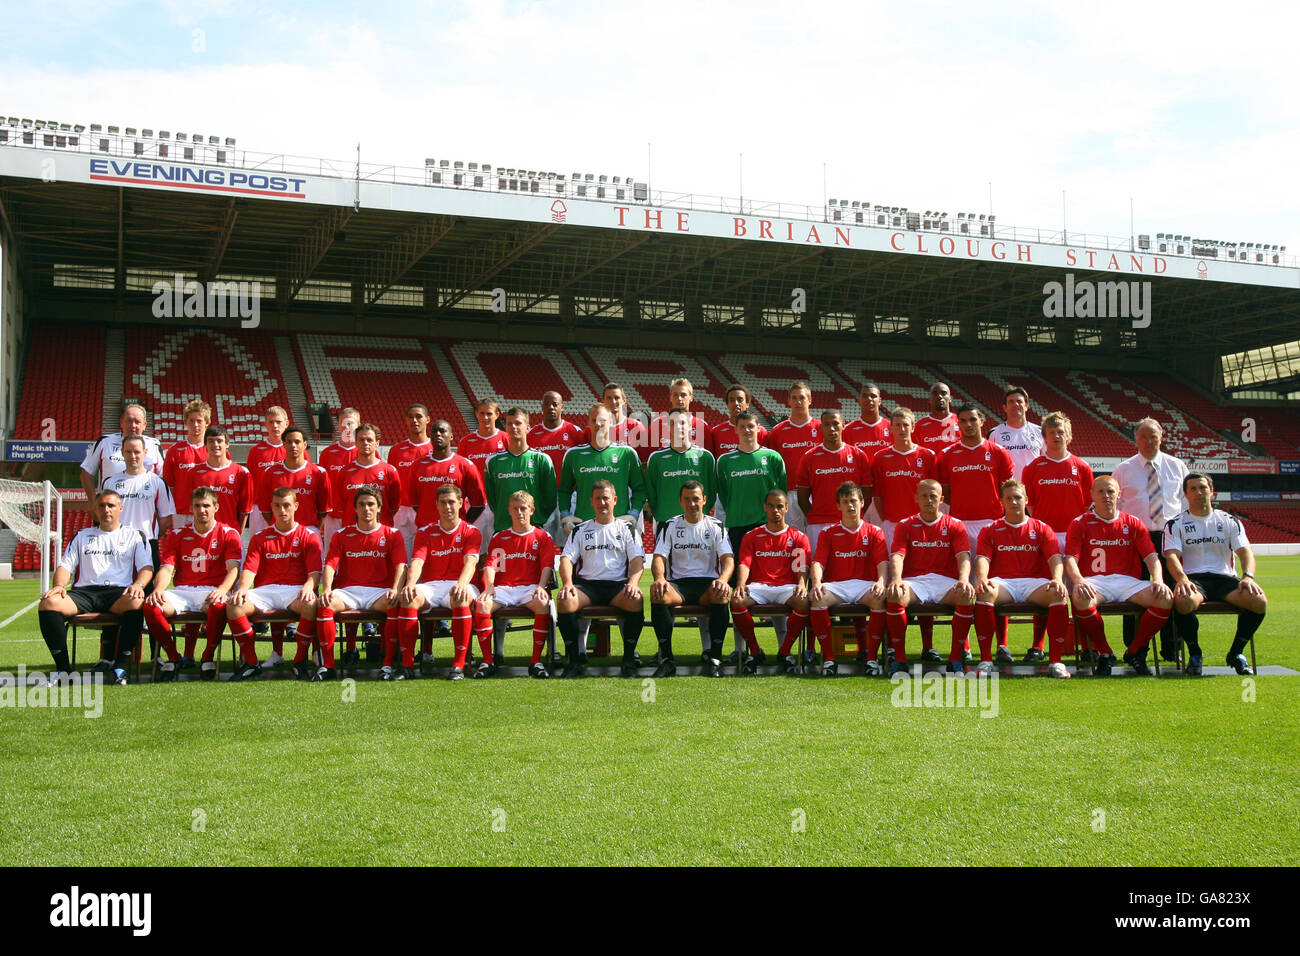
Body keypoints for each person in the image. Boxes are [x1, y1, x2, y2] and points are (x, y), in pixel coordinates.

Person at [37, 490, 152, 684]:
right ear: (95, 510)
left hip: (118, 593)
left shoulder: (134, 535)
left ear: (120, 509)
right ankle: (63, 671)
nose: (106, 510)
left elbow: (146, 567)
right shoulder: (82, 535)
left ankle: (120, 668)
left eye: (111, 505)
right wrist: (58, 585)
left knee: (136, 602)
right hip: (85, 593)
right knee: (48, 603)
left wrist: (139, 584)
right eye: (102, 506)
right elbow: (65, 566)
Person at [1064, 476, 1173, 677]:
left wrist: (1158, 580)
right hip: (1095, 581)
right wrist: (1079, 581)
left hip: (1127, 582)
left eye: (1111, 491)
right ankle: (1105, 652)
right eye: (1101, 492)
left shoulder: (1133, 522)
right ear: (1092, 495)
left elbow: (1151, 556)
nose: (1106, 496)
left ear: (1119, 495)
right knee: (1080, 597)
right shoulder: (1080, 523)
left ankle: (1134, 651)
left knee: (1165, 598)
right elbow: (1070, 558)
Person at [1163, 474, 1267, 676]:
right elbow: (1172, 557)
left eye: (1202, 488)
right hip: (1194, 578)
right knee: (1183, 601)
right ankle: (1195, 653)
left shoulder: (1229, 521)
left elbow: (1245, 552)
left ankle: (1236, 653)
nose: (1198, 492)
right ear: (1185, 494)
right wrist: (1182, 579)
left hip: (1225, 579)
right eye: (1192, 489)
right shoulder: (1175, 523)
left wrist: (1248, 576)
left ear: (1212, 491)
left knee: (1259, 601)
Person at [973, 480, 1071, 678]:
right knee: (984, 592)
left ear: (1026, 500)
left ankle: (1056, 662)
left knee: (1058, 593)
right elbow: (983, 558)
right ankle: (986, 661)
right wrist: (982, 578)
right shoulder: (990, 529)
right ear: (1002, 502)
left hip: (1033, 583)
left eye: (1018, 497)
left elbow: (1055, 559)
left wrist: (1058, 579)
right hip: (1004, 583)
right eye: (1008, 498)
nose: (1014, 502)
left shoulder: (1042, 528)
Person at [225, 487, 325, 681]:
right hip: (266, 591)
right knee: (233, 605)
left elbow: (315, 572)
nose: (282, 510)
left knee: (312, 605)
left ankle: (299, 661)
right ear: (271, 507)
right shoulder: (260, 537)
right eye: (277, 506)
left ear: (295, 506)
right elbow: (249, 570)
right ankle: (252, 663)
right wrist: (243, 588)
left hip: (294, 591)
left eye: (286, 505)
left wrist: (308, 587)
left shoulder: (309, 536)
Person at [142, 487, 241, 682]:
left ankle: (208, 657)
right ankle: (173, 656)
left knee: (219, 604)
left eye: (206, 506)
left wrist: (222, 590)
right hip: (183, 591)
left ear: (216, 507)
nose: (202, 510)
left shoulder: (228, 533)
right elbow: (167, 568)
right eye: (197, 506)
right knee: (151, 606)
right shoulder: (177, 534)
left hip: (212, 590)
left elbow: (233, 570)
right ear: (191, 508)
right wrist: (159, 589)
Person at [1113, 417, 1189, 663]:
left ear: (1161, 437)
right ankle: (1136, 649)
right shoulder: (1123, 470)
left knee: (1172, 591)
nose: (1148, 441)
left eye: (1152, 436)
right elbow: (1117, 507)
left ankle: (1171, 647)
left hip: (1169, 538)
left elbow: (1185, 505)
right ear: (1135, 438)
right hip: (1136, 538)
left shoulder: (1177, 467)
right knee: (1134, 591)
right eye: (1143, 436)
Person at [1021, 411, 1093, 661]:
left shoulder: (1082, 467)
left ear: (1069, 435)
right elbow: (1030, 507)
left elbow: (1085, 507)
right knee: (1047, 589)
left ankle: (1086, 646)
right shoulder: (1033, 468)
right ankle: (1038, 646)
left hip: (1074, 537)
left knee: (1078, 591)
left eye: (1061, 432)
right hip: (1045, 537)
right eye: (1051, 433)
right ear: (1044, 437)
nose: (1056, 436)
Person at [555, 481, 645, 679]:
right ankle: (574, 661)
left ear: (615, 501)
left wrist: (633, 583)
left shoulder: (628, 529)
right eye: (598, 498)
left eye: (606, 498)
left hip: (617, 586)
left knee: (636, 599)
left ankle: (628, 660)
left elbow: (637, 562)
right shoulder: (580, 530)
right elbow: (566, 560)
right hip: (587, 587)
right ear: (591, 502)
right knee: (564, 600)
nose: (602, 502)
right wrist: (568, 584)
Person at [887, 480, 976, 673]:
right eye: (924, 496)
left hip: (945, 582)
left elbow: (963, 556)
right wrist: (896, 579)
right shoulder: (905, 525)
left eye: (933, 496)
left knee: (967, 594)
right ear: (916, 498)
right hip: (916, 582)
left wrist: (963, 579)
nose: (929, 500)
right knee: (895, 594)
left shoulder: (955, 525)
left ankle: (954, 659)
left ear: (941, 499)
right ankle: (900, 660)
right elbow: (897, 556)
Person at [318, 487, 408, 679]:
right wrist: (326, 589)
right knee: (324, 604)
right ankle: (328, 666)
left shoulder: (392, 534)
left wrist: (395, 589)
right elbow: (330, 565)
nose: (366, 509)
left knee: (394, 602)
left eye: (370, 504)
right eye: (362, 505)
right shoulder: (341, 535)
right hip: (348, 592)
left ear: (379, 508)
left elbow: (401, 565)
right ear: (355, 509)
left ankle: (387, 664)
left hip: (379, 592)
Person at [399, 484, 484, 681]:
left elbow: (471, 562)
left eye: (452, 502)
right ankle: (407, 664)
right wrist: (410, 584)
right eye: (443, 503)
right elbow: (417, 562)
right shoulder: (426, 531)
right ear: (436, 505)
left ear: (461, 504)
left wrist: (462, 584)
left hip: (461, 582)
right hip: (432, 585)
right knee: (409, 598)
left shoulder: (471, 531)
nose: (448, 507)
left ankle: (458, 664)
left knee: (460, 597)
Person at [649, 481, 733, 678]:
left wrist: (722, 580)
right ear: (680, 501)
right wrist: (660, 578)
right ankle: (667, 659)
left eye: (696, 499)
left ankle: (715, 658)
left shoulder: (716, 526)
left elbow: (728, 559)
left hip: (707, 584)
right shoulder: (670, 525)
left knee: (721, 594)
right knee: (657, 592)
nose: (691, 503)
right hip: (679, 585)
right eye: (687, 499)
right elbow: (659, 557)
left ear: (704, 500)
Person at [806, 482, 889, 676]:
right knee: (817, 597)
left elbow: (882, 563)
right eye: (845, 502)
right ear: (838, 506)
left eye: (853, 501)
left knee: (879, 598)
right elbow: (817, 562)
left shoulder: (875, 531)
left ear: (862, 503)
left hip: (865, 585)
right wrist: (816, 583)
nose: (850, 506)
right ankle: (829, 659)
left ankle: (871, 659)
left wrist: (881, 582)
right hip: (838, 586)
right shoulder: (828, 532)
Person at [478, 490, 557, 678]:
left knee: (542, 603)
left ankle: (535, 662)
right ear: (509, 511)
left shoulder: (542, 536)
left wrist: (541, 586)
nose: (519, 512)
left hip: (530, 587)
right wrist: (489, 586)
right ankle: (488, 661)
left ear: (532, 510)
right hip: (504, 588)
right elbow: (491, 565)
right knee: (482, 604)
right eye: (515, 509)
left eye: (523, 508)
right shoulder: (500, 537)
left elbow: (547, 565)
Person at [731, 489, 811, 675]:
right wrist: (741, 584)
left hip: (786, 587)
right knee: (737, 601)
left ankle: (785, 651)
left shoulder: (798, 537)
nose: (775, 510)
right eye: (772, 506)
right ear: (765, 508)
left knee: (804, 601)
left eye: (780, 506)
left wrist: (801, 584)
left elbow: (802, 566)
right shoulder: (752, 536)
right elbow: (744, 562)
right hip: (760, 586)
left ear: (786, 509)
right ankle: (755, 651)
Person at [797, 409, 870, 555]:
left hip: (851, 522)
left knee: (849, 567)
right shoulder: (809, 457)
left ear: (843, 425)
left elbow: (866, 495)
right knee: (818, 571)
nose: (831, 428)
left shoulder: (858, 455)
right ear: (821, 428)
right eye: (827, 424)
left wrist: (853, 515)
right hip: (818, 524)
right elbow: (802, 498)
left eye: (836, 424)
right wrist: (817, 515)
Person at [763, 381, 822, 531]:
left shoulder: (822, 428)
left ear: (810, 400)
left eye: (802, 397)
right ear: (788, 401)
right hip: (790, 494)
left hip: (817, 492)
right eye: (794, 398)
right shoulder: (777, 432)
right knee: (794, 540)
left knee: (818, 536)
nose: (798, 401)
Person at [645, 409, 716, 533]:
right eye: (673, 423)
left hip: (698, 523)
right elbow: (651, 493)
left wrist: (700, 511)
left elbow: (712, 492)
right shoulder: (656, 458)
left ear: (690, 426)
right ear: (668, 427)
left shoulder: (705, 457)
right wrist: (661, 514)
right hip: (666, 522)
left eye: (682, 423)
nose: (678, 427)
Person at [79, 403, 163, 498]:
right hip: (110, 509)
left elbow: (163, 478)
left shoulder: (154, 446)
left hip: (145, 508)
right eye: (129, 421)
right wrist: (93, 502)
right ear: (121, 422)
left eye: (137, 422)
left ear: (144, 425)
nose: (133, 425)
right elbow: (87, 472)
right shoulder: (105, 442)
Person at [388, 403, 433, 556]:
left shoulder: (435, 448)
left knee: (426, 555)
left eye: (419, 416)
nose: (414, 420)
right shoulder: (396, 450)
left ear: (427, 419)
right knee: (402, 557)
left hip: (427, 510)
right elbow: (390, 484)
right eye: (410, 417)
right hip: (401, 511)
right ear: (406, 421)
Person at [189, 426, 253, 533]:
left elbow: (244, 510)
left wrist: (237, 533)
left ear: (227, 444)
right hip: (202, 534)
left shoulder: (241, 472)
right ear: (205, 445)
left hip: (229, 533)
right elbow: (192, 507)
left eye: (219, 441)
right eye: (211, 441)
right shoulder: (194, 473)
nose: (215, 445)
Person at [162, 399, 211, 531]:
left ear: (207, 423)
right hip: (181, 512)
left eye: (199, 421)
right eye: (191, 420)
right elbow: (169, 487)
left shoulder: (216, 450)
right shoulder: (174, 451)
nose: (195, 424)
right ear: (185, 423)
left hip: (207, 511)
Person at [318, 406, 361, 553]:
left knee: (355, 554)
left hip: (358, 516)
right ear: (338, 425)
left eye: (351, 423)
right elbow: (321, 486)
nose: (347, 427)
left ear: (358, 425)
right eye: (344, 423)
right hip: (333, 516)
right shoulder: (327, 453)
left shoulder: (366, 452)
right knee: (331, 554)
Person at [246, 406, 291, 535]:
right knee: (260, 546)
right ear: (265, 424)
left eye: (278, 422)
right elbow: (250, 482)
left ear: (286, 423)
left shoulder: (296, 450)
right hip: (260, 509)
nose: (275, 426)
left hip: (286, 506)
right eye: (271, 422)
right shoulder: (256, 451)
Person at [644, 377, 712, 463]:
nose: (679, 398)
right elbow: (649, 461)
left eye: (683, 395)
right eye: (675, 395)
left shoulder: (702, 427)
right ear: (670, 397)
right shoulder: (656, 425)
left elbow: (708, 461)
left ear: (691, 397)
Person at [988, 386, 1045, 481]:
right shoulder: (994, 434)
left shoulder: (1040, 432)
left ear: (1027, 406)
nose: (1015, 404)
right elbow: (990, 465)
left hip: (1033, 490)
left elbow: (1047, 462)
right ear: (1005, 408)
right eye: (1011, 401)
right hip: (1007, 492)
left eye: (1019, 401)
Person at [842, 382, 892, 472]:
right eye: (865, 396)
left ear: (880, 401)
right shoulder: (847, 430)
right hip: (859, 481)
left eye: (873, 396)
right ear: (859, 401)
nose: (869, 399)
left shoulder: (892, 427)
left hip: (886, 479)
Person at [711, 384, 768, 458]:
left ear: (747, 404)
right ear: (727, 404)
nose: (736, 403)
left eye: (740, 400)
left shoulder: (760, 432)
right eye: (732, 400)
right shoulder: (716, 432)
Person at [911, 382, 960, 456]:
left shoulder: (961, 421)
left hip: (955, 467)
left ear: (950, 398)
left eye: (944, 393)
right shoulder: (919, 426)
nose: (939, 396)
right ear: (930, 399)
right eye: (935, 393)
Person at [604, 381, 649, 455]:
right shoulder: (594, 429)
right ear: (603, 401)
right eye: (609, 398)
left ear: (624, 400)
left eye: (617, 398)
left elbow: (643, 462)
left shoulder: (637, 427)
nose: (613, 401)